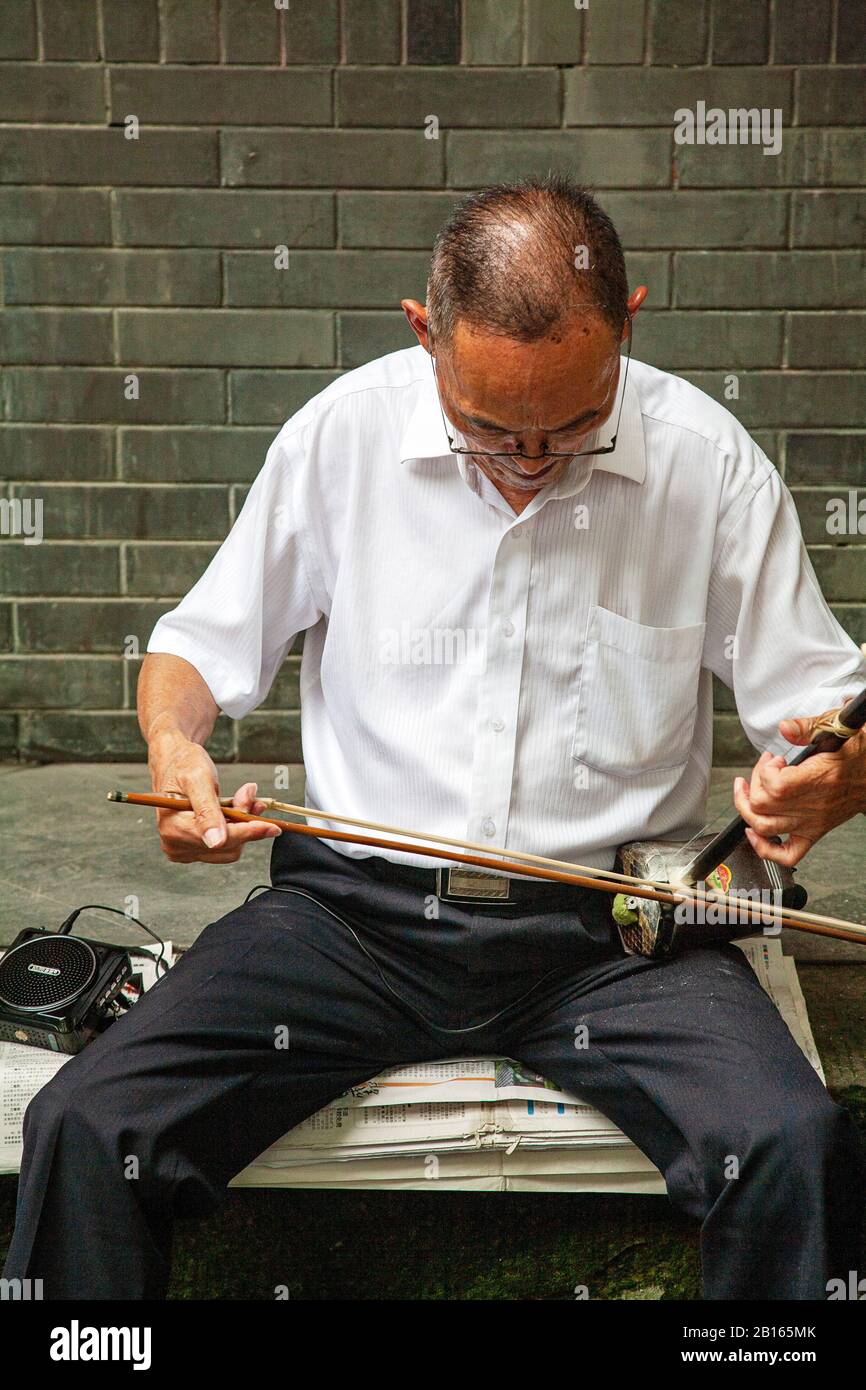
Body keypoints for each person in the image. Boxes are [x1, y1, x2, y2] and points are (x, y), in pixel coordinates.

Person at [5, 175, 865, 1301]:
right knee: (84, 1124)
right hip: (352, 921)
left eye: (568, 428)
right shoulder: (339, 438)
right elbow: (191, 655)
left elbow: (826, 715)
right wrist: (177, 751)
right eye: (487, 429)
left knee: (791, 1143)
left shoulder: (709, 466)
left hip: (610, 936)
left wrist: (826, 780)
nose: (527, 460)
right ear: (425, 334)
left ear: (628, 323)